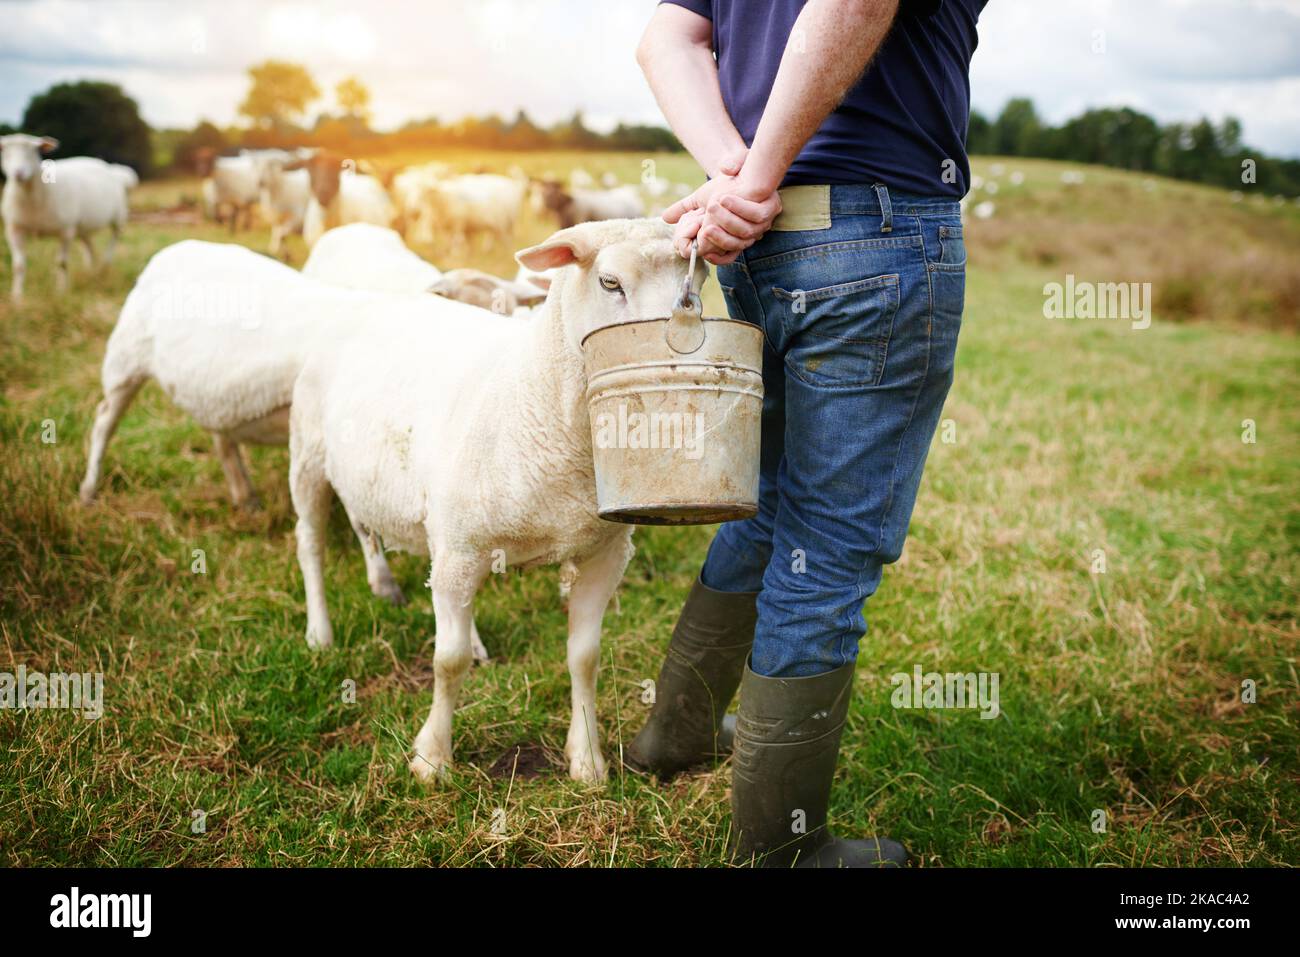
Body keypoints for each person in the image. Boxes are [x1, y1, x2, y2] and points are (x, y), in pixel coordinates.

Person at [627, 0, 988, 867]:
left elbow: (666, 36)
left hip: (765, 242)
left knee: (768, 504)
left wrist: (735, 173)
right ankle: (783, 850)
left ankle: (670, 739)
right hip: (875, 229)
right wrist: (751, 178)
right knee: (826, 545)